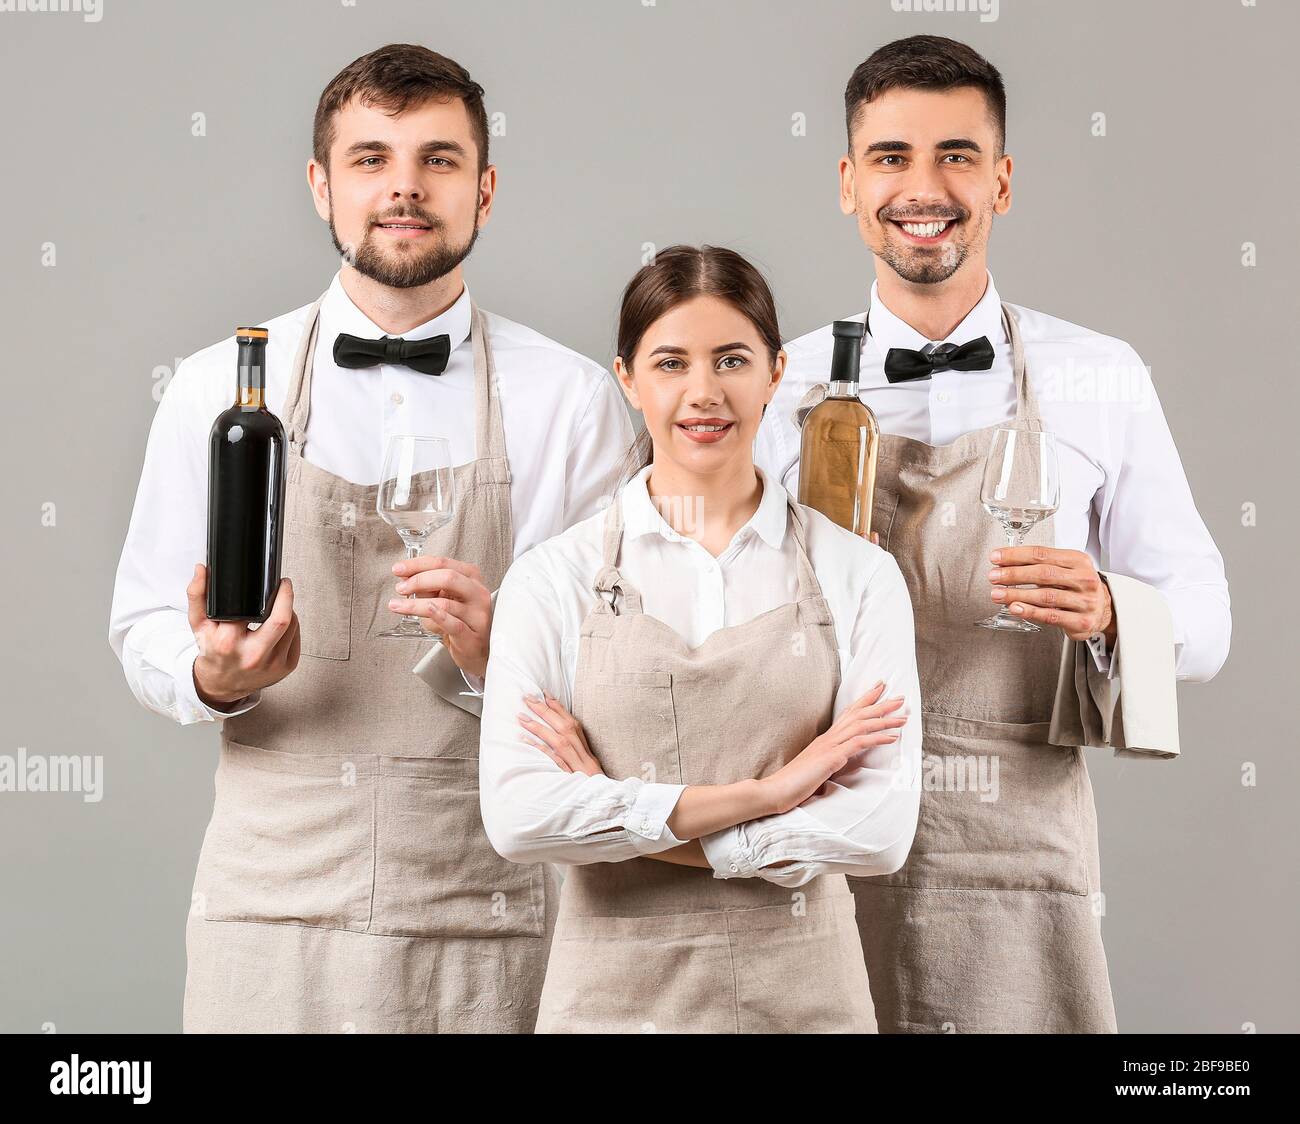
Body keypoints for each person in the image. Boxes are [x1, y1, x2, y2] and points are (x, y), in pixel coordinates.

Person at [107, 44, 633, 1032]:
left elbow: (621, 673)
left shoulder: (573, 401)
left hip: (483, 909)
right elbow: (142, 622)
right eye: (369, 159)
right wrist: (216, 674)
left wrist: (497, 657)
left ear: (484, 188)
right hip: (270, 908)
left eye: (437, 159)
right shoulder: (218, 387)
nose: (404, 186)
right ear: (320, 185)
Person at [755, 35, 1231, 1033]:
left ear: (1002, 181)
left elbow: (1206, 617)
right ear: (847, 182)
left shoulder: (1098, 373)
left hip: (1017, 847)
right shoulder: (776, 381)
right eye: (890, 157)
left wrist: (1110, 609)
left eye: (956, 156)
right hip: (822, 825)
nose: (921, 187)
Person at [477, 245, 923, 1033]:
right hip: (610, 1004)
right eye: (671, 362)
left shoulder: (860, 576)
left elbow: (882, 831)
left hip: (806, 1001)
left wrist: (623, 813)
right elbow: (517, 817)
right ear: (627, 377)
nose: (703, 393)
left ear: (777, 373)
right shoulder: (552, 579)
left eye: (732, 360)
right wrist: (773, 794)